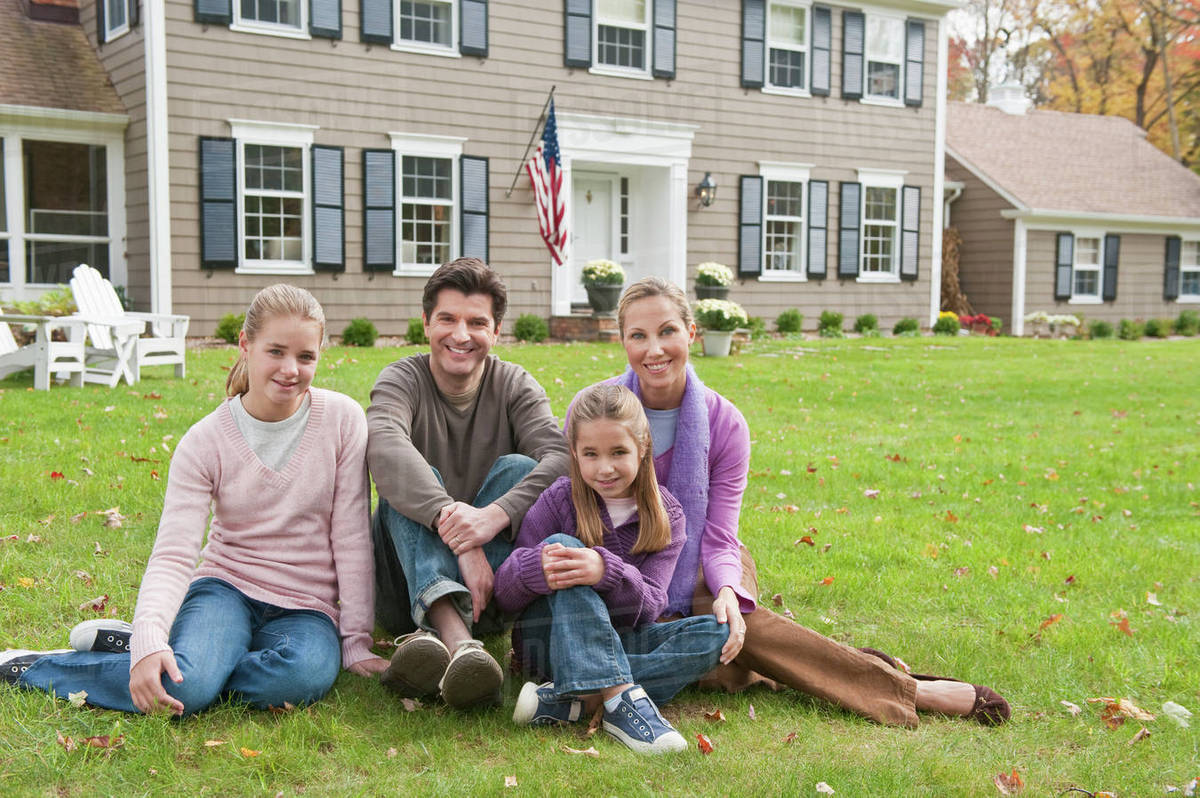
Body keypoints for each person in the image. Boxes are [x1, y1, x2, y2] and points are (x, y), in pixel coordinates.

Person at [572, 277, 1010, 728]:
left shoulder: (725, 424)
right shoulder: (596, 412)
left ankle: (911, 691)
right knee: (722, 668)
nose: (654, 349)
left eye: (667, 331)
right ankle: (800, 665)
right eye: (638, 336)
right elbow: (572, 502)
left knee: (730, 626)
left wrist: (726, 590)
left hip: (706, 562)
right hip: (626, 563)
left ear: (692, 333)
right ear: (621, 340)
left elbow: (721, 535)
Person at [2, 284, 388, 715]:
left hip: (306, 606)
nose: (290, 369)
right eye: (275, 351)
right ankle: (38, 666)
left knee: (301, 676)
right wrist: (151, 635)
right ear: (245, 345)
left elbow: (352, 535)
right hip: (226, 588)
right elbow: (174, 553)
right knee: (189, 689)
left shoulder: (342, 420)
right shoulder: (205, 441)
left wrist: (355, 642)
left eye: (305, 357)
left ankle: (176, 653)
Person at [368, 258, 569, 709]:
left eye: (477, 322)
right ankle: (458, 642)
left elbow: (562, 458)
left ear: (495, 331)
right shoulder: (402, 379)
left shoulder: (514, 384)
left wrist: (491, 517)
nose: (461, 335)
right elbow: (383, 445)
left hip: (489, 594)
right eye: (448, 319)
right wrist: (458, 531)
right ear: (426, 323)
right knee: (410, 475)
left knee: (520, 467)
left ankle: (431, 648)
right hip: (402, 588)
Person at [495, 384, 727, 755]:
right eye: (591, 454)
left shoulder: (668, 515)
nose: (605, 468)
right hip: (552, 644)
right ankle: (621, 701)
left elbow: (652, 605)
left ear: (643, 448)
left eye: (619, 452)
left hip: (620, 636)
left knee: (718, 630)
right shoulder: (560, 498)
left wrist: (606, 570)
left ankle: (573, 699)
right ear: (575, 453)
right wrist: (539, 568)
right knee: (565, 548)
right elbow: (504, 593)